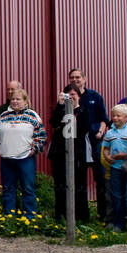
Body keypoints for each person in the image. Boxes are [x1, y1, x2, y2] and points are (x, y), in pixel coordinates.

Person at [0, 88, 47, 218]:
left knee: (28, 188)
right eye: (13, 99)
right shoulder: (3, 116)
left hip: (25, 158)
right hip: (7, 159)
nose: (15, 101)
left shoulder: (32, 116)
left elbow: (41, 136)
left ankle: (30, 217)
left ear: (25, 101)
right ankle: (9, 217)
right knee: (8, 189)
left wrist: (34, 149)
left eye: (18, 99)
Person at [67, 68, 110, 220]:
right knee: (79, 179)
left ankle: (103, 214)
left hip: (94, 141)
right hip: (77, 144)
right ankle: (81, 215)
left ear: (84, 79)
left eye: (78, 77)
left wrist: (101, 131)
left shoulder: (95, 96)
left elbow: (104, 118)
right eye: (72, 77)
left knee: (100, 178)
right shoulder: (68, 97)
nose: (75, 80)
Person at [49, 83, 91, 222]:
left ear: (79, 96)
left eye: (73, 94)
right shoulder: (61, 110)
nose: (71, 97)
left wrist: (74, 115)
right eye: (68, 95)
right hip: (60, 152)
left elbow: (84, 128)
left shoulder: (84, 111)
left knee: (79, 185)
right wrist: (61, 105)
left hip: (78, 153)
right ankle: (60, 216)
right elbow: (53, 122)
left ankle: (81, 217)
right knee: (60, 185)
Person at [101, 104, 127, 231]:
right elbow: (106, 148)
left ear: (126, 117)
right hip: (114, 168)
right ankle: (118, 222)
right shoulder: (109, 133)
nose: (115, 118)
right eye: (113, 115)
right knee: (116, 195)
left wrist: (124, 156)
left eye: (118, 116)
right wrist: (107, 156)